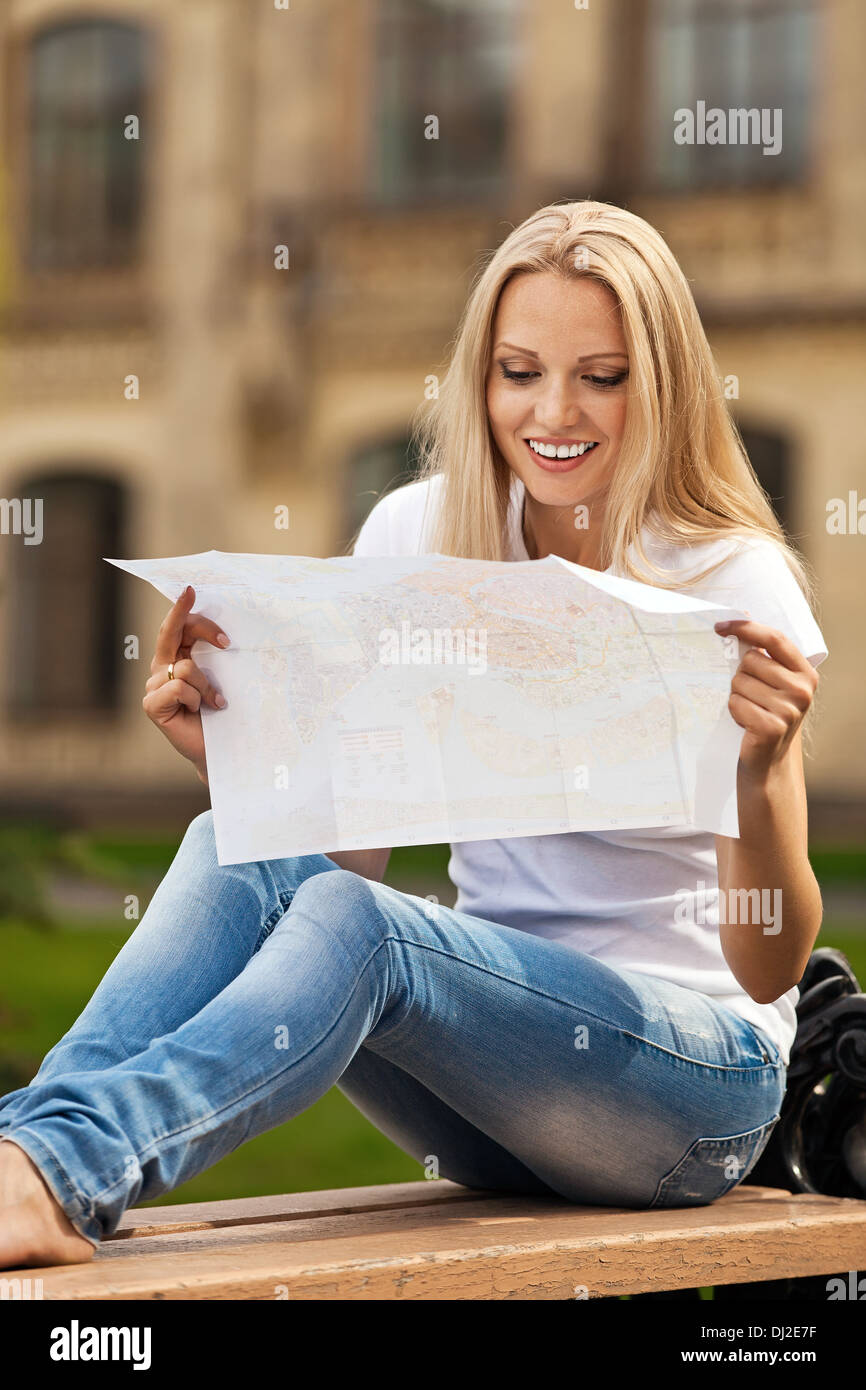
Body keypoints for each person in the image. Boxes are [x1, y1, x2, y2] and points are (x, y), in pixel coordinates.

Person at [0, 201, 827, 1270]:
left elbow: (769, 966)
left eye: (601, 375)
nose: (553, 411)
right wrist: (246, 771)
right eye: (519, 371)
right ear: (479, 379)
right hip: (488, 1092)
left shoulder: (725, 576)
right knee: (232, 842)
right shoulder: (417, 533)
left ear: (660, 383)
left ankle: (60, 1170)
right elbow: (350, 853)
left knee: (365, 923)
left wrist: (758, 776)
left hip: (686, 1098)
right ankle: (30, 1159)